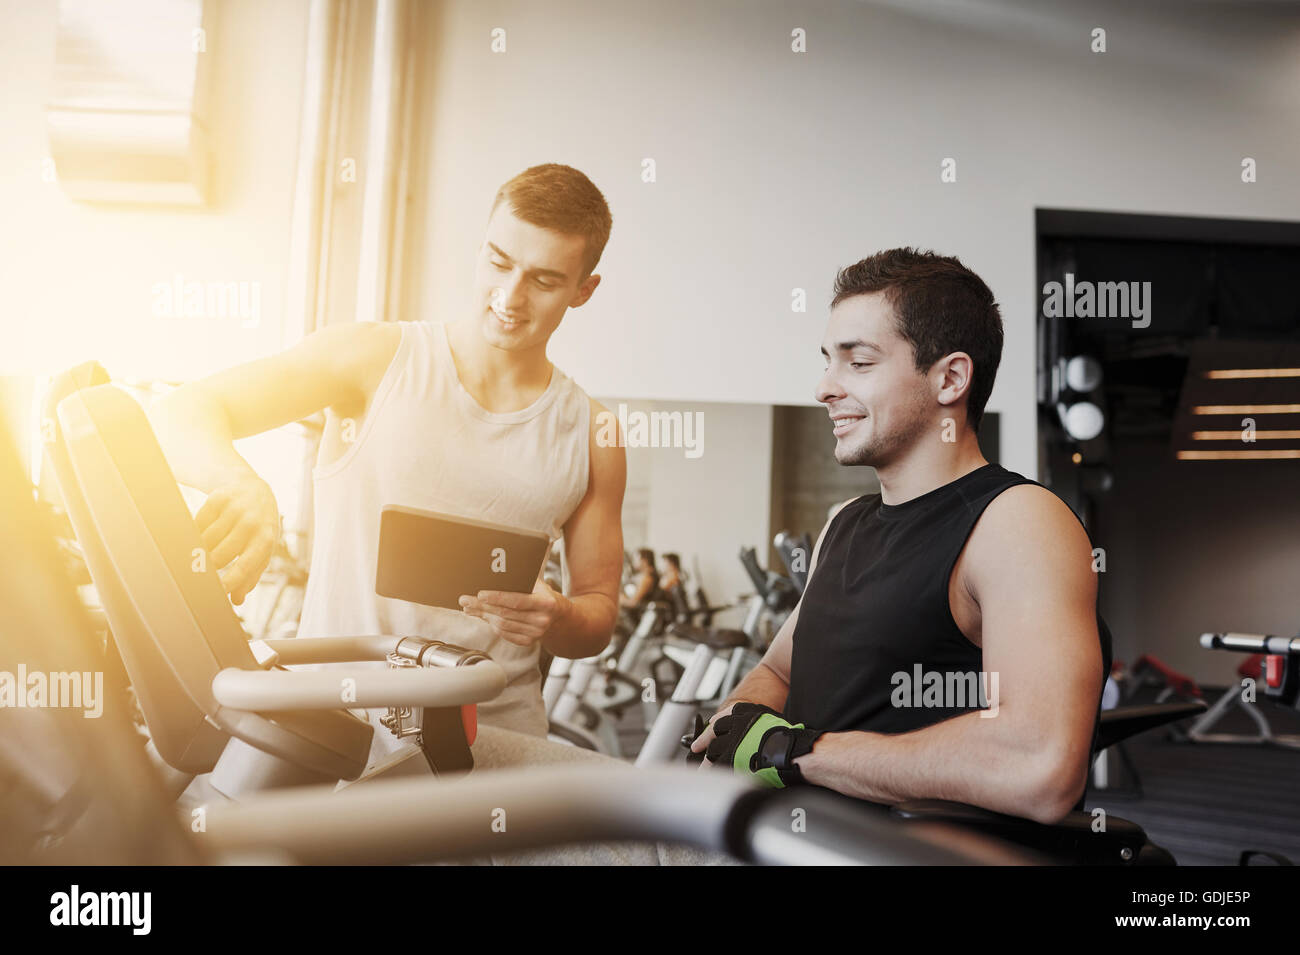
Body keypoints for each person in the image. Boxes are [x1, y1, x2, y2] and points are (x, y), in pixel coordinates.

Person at [150, 164, 627, 750]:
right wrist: (244, 485)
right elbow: (184, 410)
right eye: (499, 263)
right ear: (481, 248)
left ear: (584, 289)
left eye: (545, 280)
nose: (510, 297)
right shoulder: (373, 358)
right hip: (337, 724)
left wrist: (560, 619)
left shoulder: (593, 432)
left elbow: (599, 613)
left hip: (492, 738)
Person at [692, 248, 1108, 826]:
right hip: (787, 840)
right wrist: (737, 729)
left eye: (858, 363)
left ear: (950, 379)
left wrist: (796, 753)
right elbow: (780, 673)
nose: (823, 388)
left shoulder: (1018, 522)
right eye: (828, 362)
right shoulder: (846, 522)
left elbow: (1038, 763)